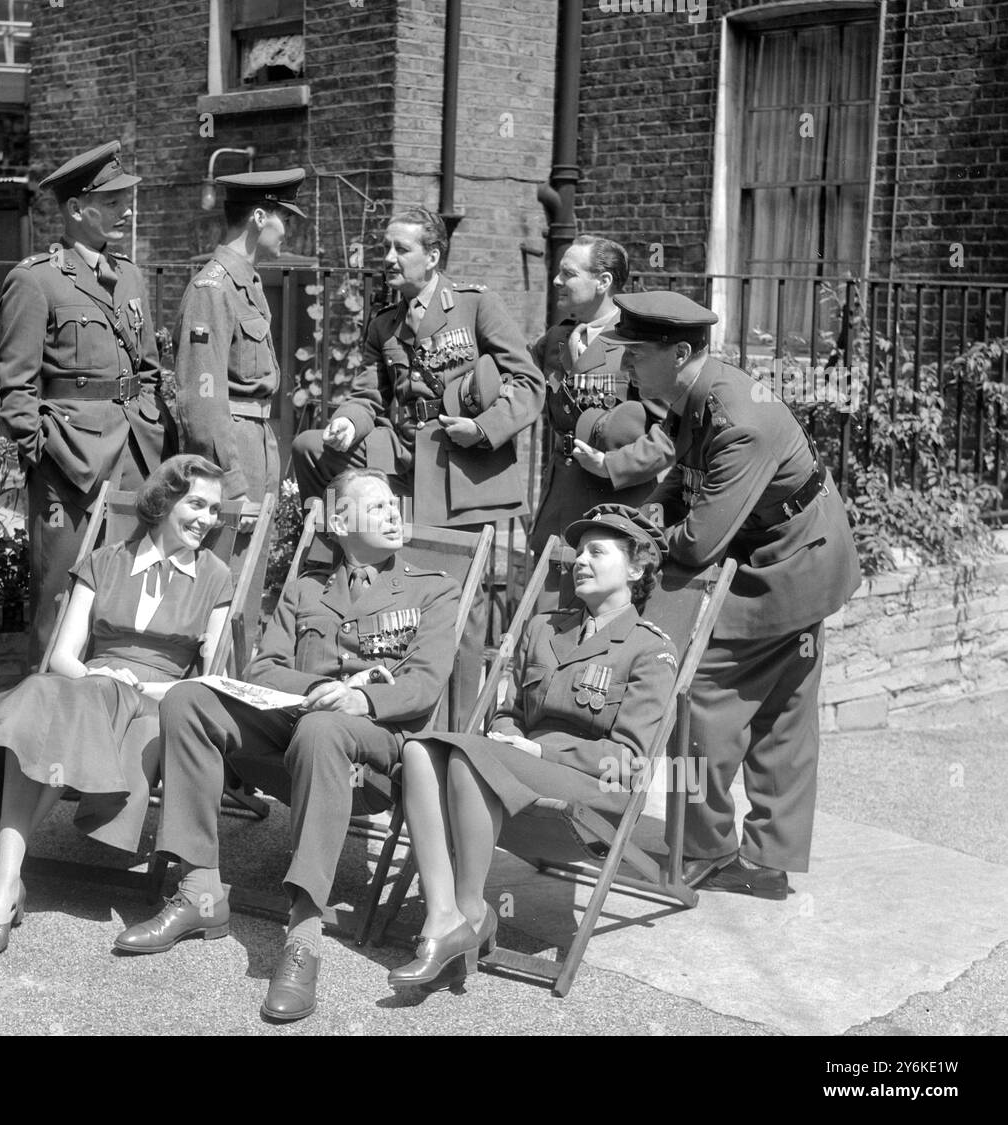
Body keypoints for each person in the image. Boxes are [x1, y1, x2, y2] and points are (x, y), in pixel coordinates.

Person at [115, 468, 459, 1023]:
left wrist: (362, 702)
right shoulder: (304, 588)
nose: (395, 514)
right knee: (187, 698)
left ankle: (302, 935)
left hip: (372, 748)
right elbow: (265, 667)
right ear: (339, 522)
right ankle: (201, 892)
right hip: (297, 724)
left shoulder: (433, 588)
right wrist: (321, 687)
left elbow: (424, 684)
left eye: (395, 505)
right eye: (377, 508)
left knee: (323, 731)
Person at [0, 455, 234, 959]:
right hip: (88, 686)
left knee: (50, 710)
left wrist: (143, 688)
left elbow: (212, 681)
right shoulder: (104, 560)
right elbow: (62, 656)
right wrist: (100, 674)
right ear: (164, 501)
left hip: (154, 702)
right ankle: (7, 883)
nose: (207, 519)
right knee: (49, 695)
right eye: (197, 504)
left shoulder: (216, 577)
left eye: (215, 510)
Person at [603, 291, 862, 900]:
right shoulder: (693, 394)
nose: (625, 368)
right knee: (783, 708)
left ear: (682, 351)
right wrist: (638, 519)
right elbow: (680, 483)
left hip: (792, 562)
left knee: (705, 692)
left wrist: (647, 541)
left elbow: (697, 541)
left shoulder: (738, 419)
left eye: (637, 354)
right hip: (779, 548)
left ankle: (705, 848)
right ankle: (770, 860)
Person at [393, 505, 677, 989]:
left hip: (593, 788)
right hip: (516, 767)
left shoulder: (649, 650)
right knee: (420, 752)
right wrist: (515, 740)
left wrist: (541, 754)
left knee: (468, 756)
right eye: (578, 552)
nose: (580, 561)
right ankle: (444, 918)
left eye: (597, 552)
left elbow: (629, 762)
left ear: (636, 569)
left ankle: (469, 912)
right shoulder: (544, 627)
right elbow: (508, 713)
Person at [291, 207, 544, 719]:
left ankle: (457, 725)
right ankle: (340, 546)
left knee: (461, 604)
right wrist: (347, 422)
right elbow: (367, 396)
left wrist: (485, 428)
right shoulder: (383, 322)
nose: (387, 258)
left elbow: (528, 383)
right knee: (313, 446)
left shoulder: (476, 306)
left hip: (460, 470)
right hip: (403, 465)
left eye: (399, 249)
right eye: (386, 248)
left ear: (431, 256)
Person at [0, 140, 175, 668]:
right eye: (115, 200)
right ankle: (45, 712)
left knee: (123, 591)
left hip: (135, 454)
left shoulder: (132, 277)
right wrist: (39, 453)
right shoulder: (35, 279)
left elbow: (145, 368)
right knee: (60, 589)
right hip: (70, 459)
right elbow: (15, 383)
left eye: (126, 198)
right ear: (77, 209)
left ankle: (104, 715)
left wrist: (152, 424)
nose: (127, 210)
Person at [172, 168, 304, 652]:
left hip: (256, 439)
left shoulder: (244, 281)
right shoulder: (214, 287)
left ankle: (236, 685)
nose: (286, 229)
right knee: (223, 580)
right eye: (283, 217)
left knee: (248, 581)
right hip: (232, 449)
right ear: (259, 216)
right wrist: (229, 481)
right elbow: (201, 399)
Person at [529, 237, 674, 608]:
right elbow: (519, 382)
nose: (557, 281)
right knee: (543, 616)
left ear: (603, 281)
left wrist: (611, 465)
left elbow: (667, 438)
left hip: (613, 505)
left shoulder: (637, 346)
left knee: (605, 618)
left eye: (568, 273)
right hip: (559, 500)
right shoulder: (556, 340)